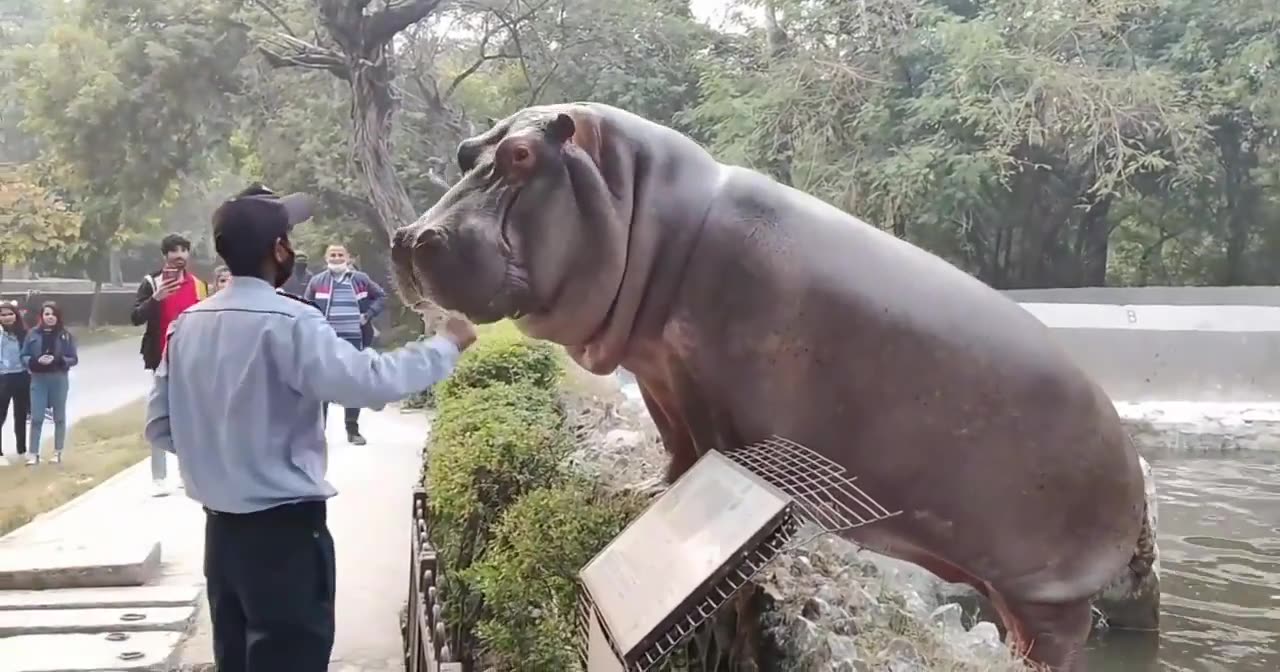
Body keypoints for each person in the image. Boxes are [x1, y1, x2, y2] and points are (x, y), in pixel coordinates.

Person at [144, 183, 476, 672]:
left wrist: (220, 456)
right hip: (285, 540)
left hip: (222, 541)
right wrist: (447, 344)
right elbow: (367, 382)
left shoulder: (187, 325)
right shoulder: (290, 322)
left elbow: (159, 427)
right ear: (278, 249)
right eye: (288, 238)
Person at [131, 233, 210, 495]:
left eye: (183, 250)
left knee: (190, 417)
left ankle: (186, 472)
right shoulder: (151, 282)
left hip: (191, 358)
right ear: (165, 256)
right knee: (160, 415)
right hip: (160, 358)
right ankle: (158, 477)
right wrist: (157, 298)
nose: (179, 255)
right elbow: (135, 317)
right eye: (173, 251)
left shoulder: (199, 284)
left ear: (188, 255)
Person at [303, 244, 387, 445]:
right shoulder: (317, 282)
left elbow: (382, 296)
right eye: (333, 254)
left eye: (341, 254)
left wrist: (368, 315)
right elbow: (306, 306)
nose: (337, 257)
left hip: (353, 340)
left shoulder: (360, 280)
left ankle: (352, 430)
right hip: (325, 341)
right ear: (326, 258)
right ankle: (318, 434)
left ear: (348, 258)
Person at [23, 302, 77, 465]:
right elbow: (24, 355)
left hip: (58, 378)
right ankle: (33, 453)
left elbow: (73, 358)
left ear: (58, 316)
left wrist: (59, 360)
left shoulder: (65, 335)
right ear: (42, 316)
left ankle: (57, 451)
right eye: (47, 314)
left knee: (59, 417)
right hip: (38, 379)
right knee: (37, 417)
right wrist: (34, 361)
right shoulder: (32, 334)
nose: (50, 317)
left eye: (53, 314)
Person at [0, 301, 30, 460]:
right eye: (3, 315)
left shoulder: (24, 333)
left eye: (10, 314)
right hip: (3, 378)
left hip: (22, 377)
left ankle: (22, 451)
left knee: (20, 416)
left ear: (16, 315)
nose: (7, 318)